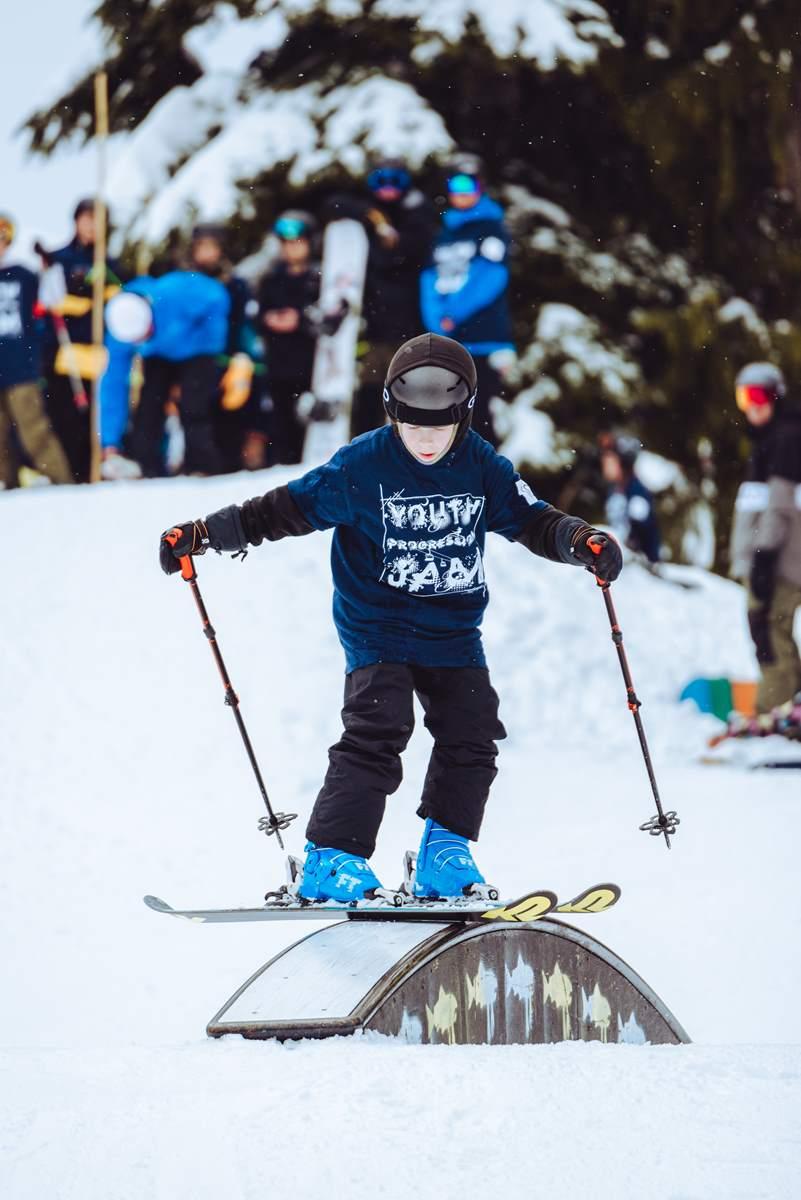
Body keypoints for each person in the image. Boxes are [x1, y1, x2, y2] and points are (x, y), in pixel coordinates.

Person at [158, 333, 622, 902]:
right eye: (413, 426)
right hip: (377, 623)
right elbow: (284, 509)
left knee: (473, 731)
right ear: (392, 414)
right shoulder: (363, 465)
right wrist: (205, 534)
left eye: (440, 427)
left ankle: (444, 852)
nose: (426, 440)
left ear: (464, 417)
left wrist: (582, 541)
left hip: (452, 628)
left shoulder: (482, 466)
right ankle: (331, 857)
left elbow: (534, 521)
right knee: (380, 726)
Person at [335, 161, 437, 438]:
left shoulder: (418, 213)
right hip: (375, 324)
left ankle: (408, 448)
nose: (388, 189)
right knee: (370, 390)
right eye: (381, 181)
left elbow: (401, 254)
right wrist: (372, 215)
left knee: (406, 393)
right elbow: (335, 205)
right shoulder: (371, 212)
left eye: (395, 181)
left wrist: (385, 234)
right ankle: (366, 448)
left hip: (409, 325)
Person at [420, 155, 515, 448]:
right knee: (449, 417)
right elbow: (428, 278)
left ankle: (489, 483)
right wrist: (437, 319)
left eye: (468, 185)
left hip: (484, 340)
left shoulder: (492, 228)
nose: (461, 192)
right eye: (455, 185)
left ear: (480, 187)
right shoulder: (444, 232)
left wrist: (455, 313)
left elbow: (492, 279)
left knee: (481, 416)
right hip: (449, 340)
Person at [100, 268, 230, 477]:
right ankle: (145, 467)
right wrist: (109, 441)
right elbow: (113, 384)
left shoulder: (176, 292)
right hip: (158, 354)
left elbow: (218, 297)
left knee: (193, 406)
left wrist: (211, 340)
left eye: (146, 334)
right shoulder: (119, 331)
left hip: (199, 346)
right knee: (149, 405)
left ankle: (202, 467)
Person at [730, 362, 801, 712]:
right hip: (768, 559)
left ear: (776, 397)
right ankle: (780, 708)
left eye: (758, 396)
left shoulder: (786, 438)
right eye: (744, 398)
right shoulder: (770, 440)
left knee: (770, 632)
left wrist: (764, 557)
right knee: (767, 634)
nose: (752, 406)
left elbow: (780, 507)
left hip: (778, 564)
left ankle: (778, 712)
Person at [39, 199, 124, 482]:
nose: (91, 227)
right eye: (86, 219)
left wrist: (107, 283)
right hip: (67, 355)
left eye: (97, 220)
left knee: (96, 419)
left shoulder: (111, 264)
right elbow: (50, 305)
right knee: (67, 418)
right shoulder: (59, 259)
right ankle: (71, 476)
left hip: (99, 354)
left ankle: (94, 473)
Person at [0, 213, 71, 489]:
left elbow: (53, 298)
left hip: (20, 366)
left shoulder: (24, 275)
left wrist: (50, 266)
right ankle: (5, 482)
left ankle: (60, 480)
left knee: (34, 431)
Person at [257, 211, 323, 465]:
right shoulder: (272, 278)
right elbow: (258, 314)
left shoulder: (319, 278)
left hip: (311, 364)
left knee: (308, 418)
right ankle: (283, 463)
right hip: (278, 364)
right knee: (280, 420)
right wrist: (269, 319)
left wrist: (301, 319)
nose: (291, 249)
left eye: (297, 242)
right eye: (286, 243)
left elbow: (328, 315)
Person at [189, 224, 257, 470]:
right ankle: (204, 465)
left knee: (233, 411)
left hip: (230, 359)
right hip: (196, 360)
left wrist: (243, 353)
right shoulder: (189, 283)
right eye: (201, 247)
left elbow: (244, 324)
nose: (206, 253)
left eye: (211, 247)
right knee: (198, 413)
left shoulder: (236, 284)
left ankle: (231, 465)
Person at [600, 433, 662, 564]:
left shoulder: (636, 495)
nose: (604, 463)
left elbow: (642, 538)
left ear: (623, 463)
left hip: (636, 569)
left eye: (609, 458)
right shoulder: (616, 489)